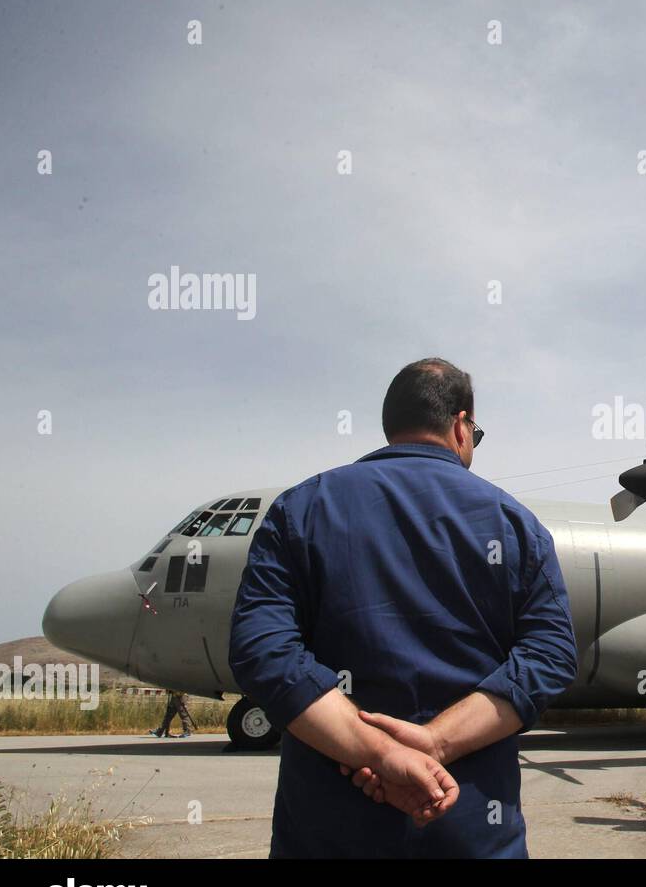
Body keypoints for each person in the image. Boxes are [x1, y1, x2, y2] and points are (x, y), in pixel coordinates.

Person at [229, 358, 578, 858]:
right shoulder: (516, 525)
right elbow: (550, 655)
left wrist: (379, 752)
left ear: (391, 425)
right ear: (461, 426)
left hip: (326, 837)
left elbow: (262, 652)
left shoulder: (299, 510)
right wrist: (434, 745)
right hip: (472, 833)